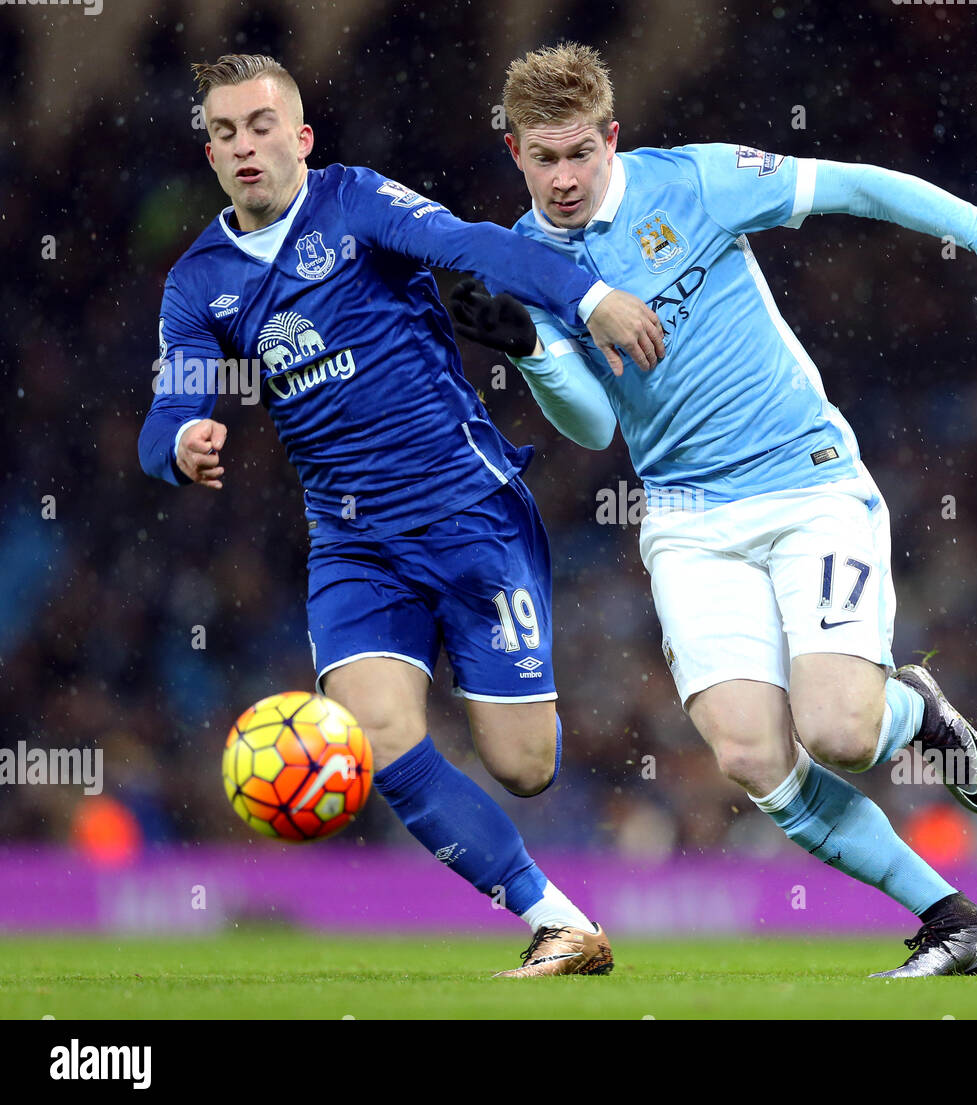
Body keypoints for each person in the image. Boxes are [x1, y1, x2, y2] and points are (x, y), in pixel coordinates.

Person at [452, 42, 977, 977]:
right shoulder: (523, 261)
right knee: (755, 756)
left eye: (579, 154)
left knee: (840, 730)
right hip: (685, 519)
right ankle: (956, 922)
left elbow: (856, 185)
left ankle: (912, 712)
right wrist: (531, 348)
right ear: (514, 150)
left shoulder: (700, 182)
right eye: (542, 157)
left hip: (806, 484)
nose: (562, 178)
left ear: (611, 139)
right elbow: (593, 426)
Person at [138, 53, 666, 978]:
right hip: (352, 540)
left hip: (467, 511)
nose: (244, 146)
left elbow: (474, 247)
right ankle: (560, 922)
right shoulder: (199, 282)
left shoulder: (355, 202)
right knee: (378, 735)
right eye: (224, 133)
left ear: (300, 138)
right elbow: (168, 407)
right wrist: (180, 445)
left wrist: (589, 296)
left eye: (262, 126)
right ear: (212, 155)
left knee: (525, 764)